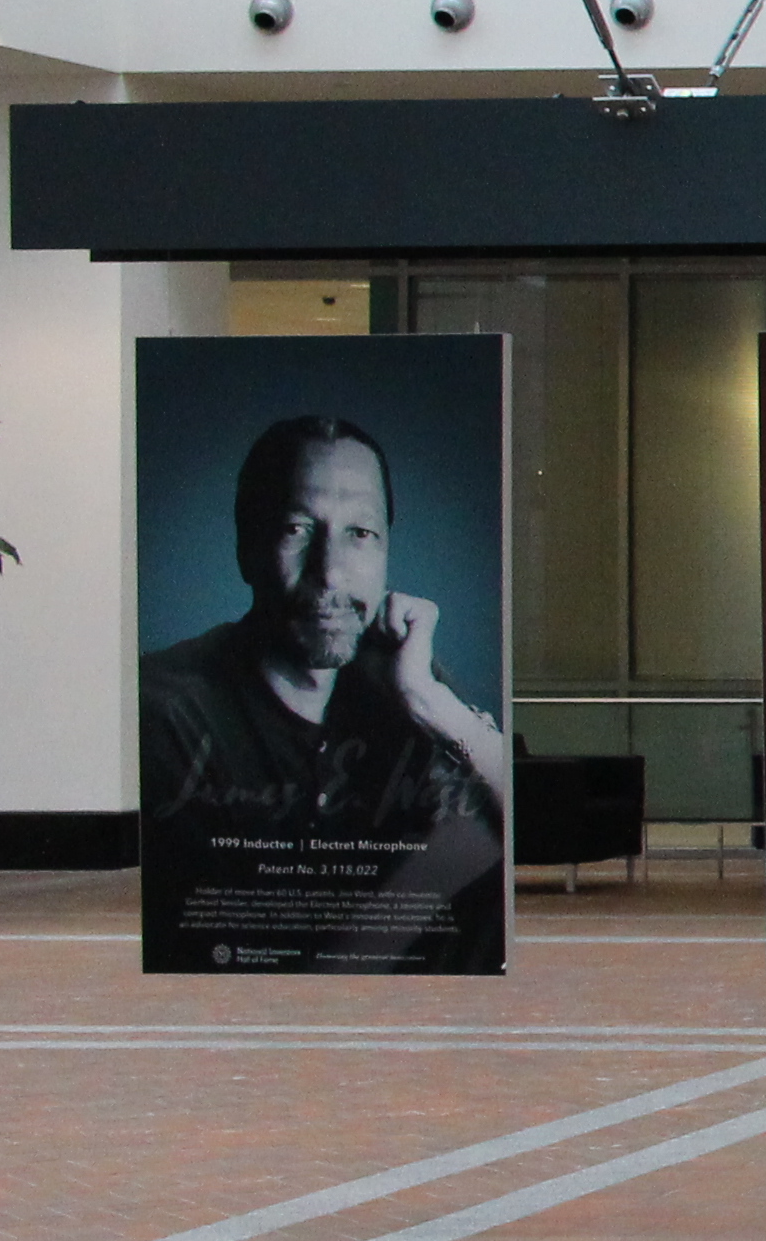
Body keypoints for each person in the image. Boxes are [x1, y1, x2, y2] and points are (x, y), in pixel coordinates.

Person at [140, 414, 509, 968]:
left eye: (359, 534)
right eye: (297, 529)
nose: (331, 573)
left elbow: (518, 827)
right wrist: (451, 860)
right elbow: (257, 956)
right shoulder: (168, 710)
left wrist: (431, 701)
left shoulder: (407, 683)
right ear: (246, 548)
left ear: (385, 552)